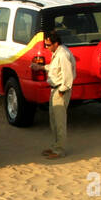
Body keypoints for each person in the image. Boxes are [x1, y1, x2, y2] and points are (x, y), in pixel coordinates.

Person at [42, 28, 75, 159]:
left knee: (60, 121)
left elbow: (68, 75)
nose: (46, 47)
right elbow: (55, 68)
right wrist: (41, 67)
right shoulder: (57, 53)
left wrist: (62, 90)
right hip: (54, 89)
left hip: (60, 90)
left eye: (48, 45)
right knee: (53, 120)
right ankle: (55, 146)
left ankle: (59, 150)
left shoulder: (63, 54)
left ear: (56, 43)